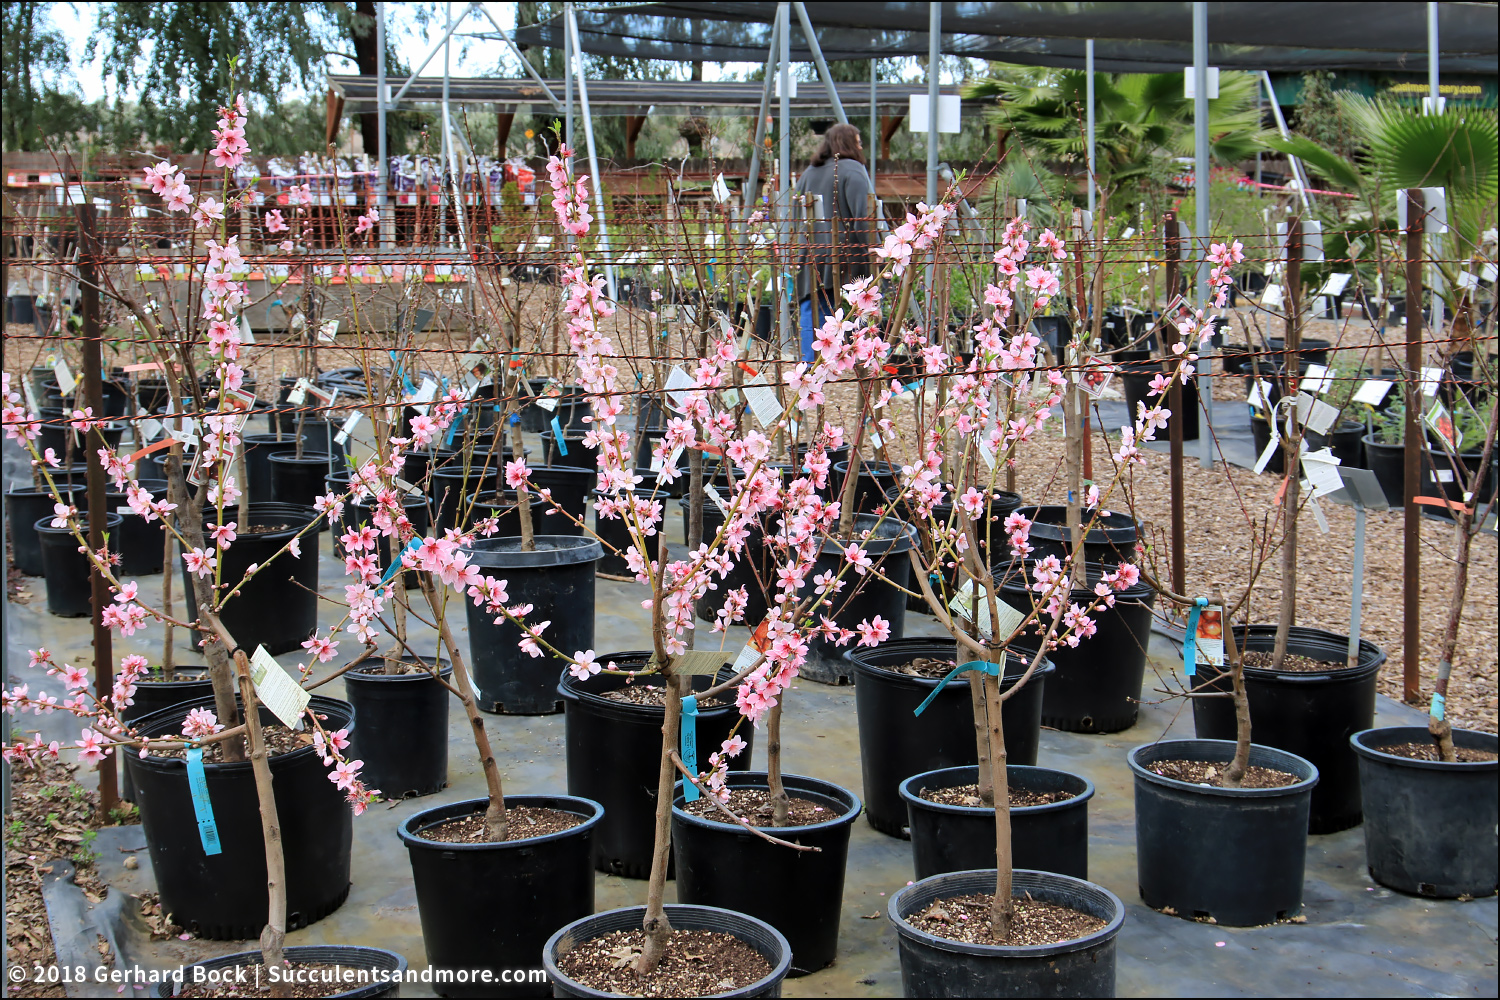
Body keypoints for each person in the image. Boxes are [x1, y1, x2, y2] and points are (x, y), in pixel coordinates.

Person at [793, 123, 876, 363]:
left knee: (812, 308)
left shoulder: (809, 172)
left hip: (810, 254)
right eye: (859, 141)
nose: (861, 147)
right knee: (848, 313)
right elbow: (864, 214)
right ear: (848, 143)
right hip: (845, 258)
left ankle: (810, 365)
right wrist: (875, 246)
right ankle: (850, 362)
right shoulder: (853, 169)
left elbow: (797, 214)